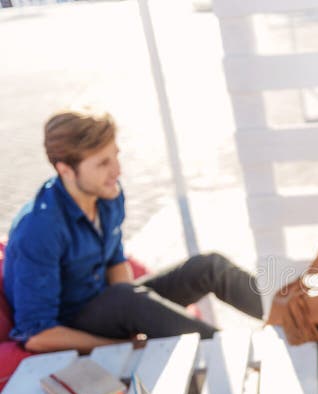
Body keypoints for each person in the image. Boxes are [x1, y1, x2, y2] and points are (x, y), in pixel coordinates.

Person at [3, 108, 265, 354]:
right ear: (66, 170)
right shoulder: (39, 229)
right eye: (103, 163)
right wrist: (118, 345)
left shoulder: (107, 195)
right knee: (124, 299)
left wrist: (137, 317)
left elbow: (116, 264)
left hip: (112, 304)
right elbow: (36, 335)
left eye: (116, 155)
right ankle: (234, 353)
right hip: (72, 326)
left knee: (208, 267)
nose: (117, 170)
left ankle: (293, 314)